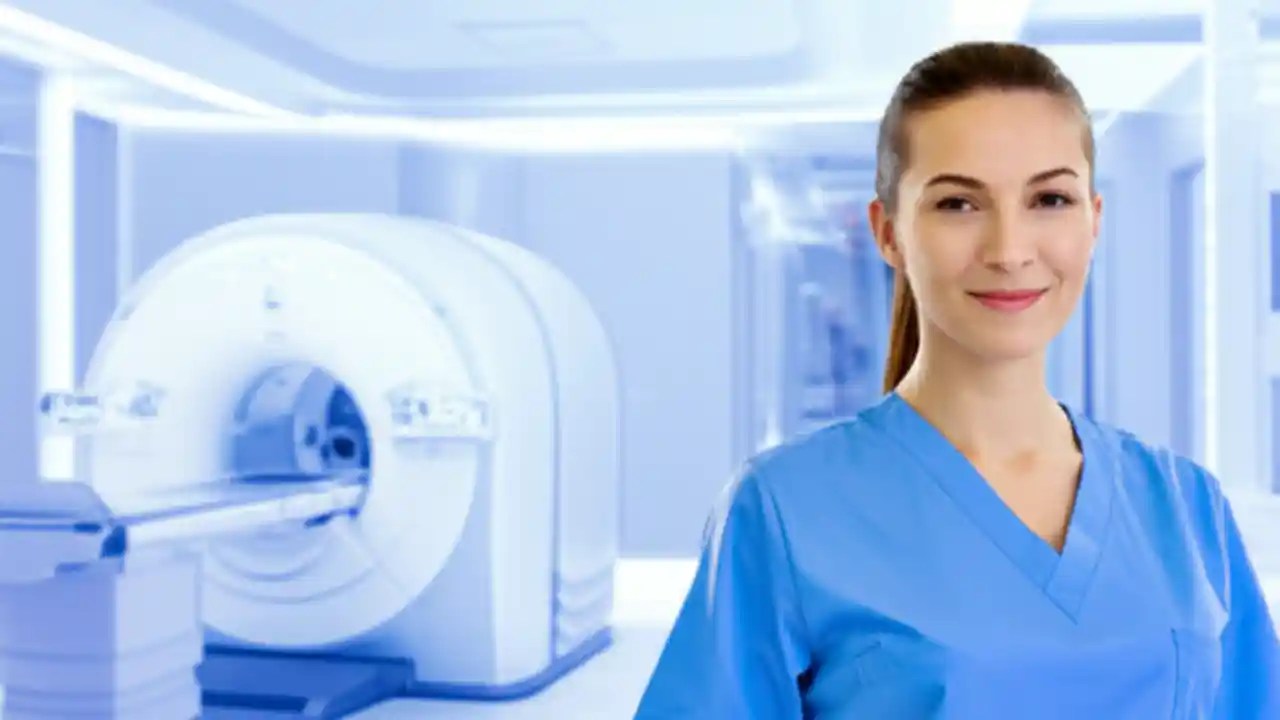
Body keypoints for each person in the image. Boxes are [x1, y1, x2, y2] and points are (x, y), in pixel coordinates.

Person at [633, 41, 1280, 719]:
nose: (1008, 250)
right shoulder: (784, 511)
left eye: (1050, 198)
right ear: (889, 234)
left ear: (1093, 222)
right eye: (958, 205)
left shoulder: (1185, 507)